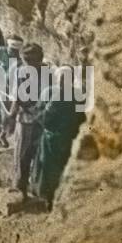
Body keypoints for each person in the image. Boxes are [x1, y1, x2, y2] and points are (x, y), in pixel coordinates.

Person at [35, 64, 85, 210]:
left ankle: (51, 199)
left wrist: (39, 113)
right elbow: (81, 117)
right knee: (61, 168)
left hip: (55, 138)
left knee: (51, 169)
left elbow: (44, 118)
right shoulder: (77, 94)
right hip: (68, 137)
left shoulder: (56, 95)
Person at [8, 42, 45, 197]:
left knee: (23, 154)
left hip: (28, 121)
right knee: (36, 155)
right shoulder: (47, 71)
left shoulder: (21, 72)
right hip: (38, 120)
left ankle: (22, 187)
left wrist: (10, 116)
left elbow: (17, 99)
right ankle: (31, 187)